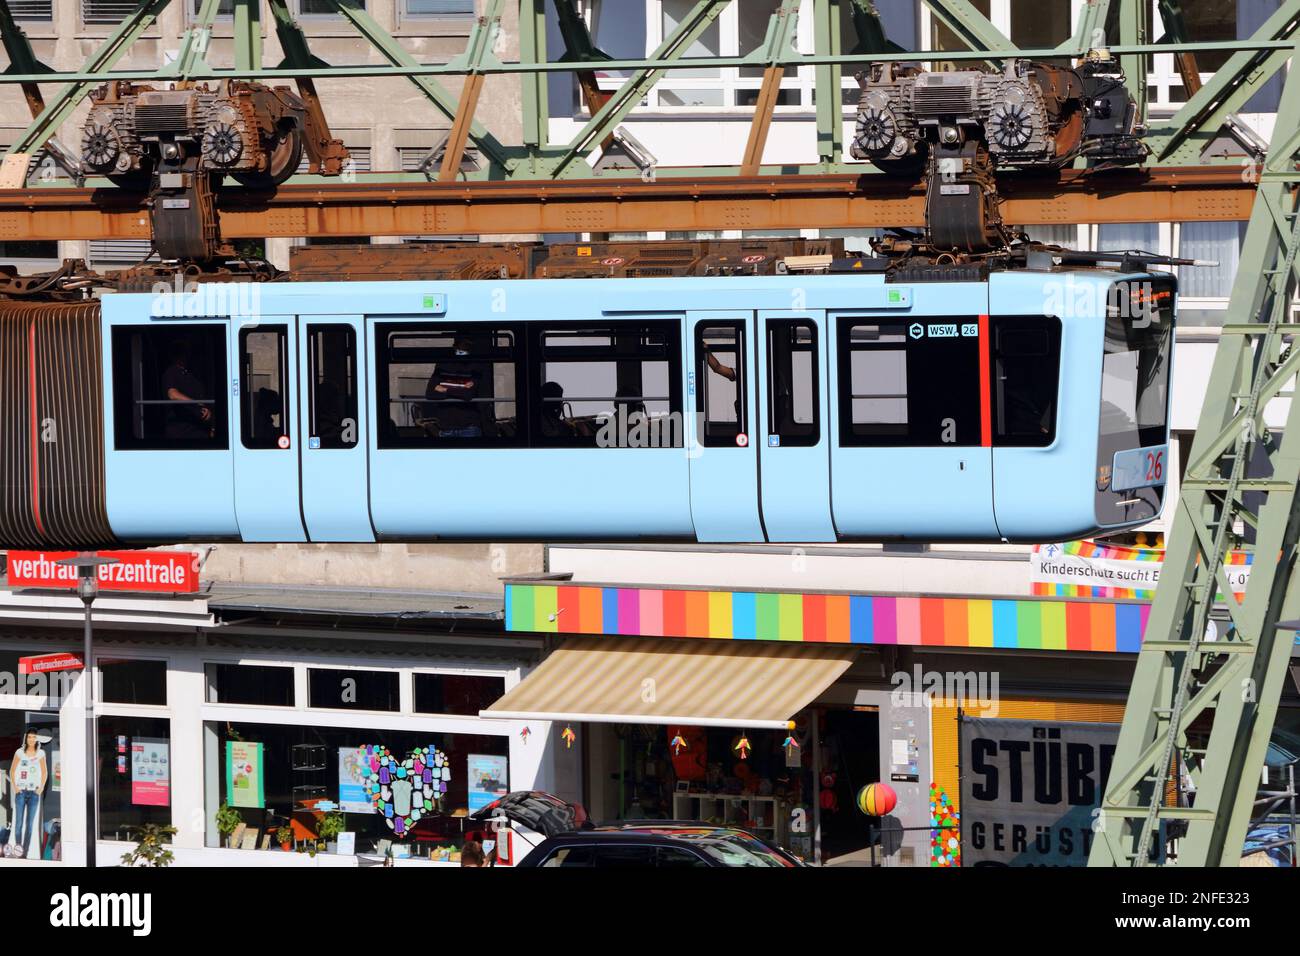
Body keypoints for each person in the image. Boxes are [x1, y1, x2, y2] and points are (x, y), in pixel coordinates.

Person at [423, 335, 485, 438]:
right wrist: (461, 388)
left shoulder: (475, 368)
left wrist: (445, 390)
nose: (460, 352)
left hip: (469, 427)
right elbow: (430, 393)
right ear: (454, 348)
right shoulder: (442, 366)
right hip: (445, 427)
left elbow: (468, 394)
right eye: (459, 349)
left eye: (465, 349)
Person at [161, 339, 214, 441]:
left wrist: (211, 421)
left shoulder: (193, 376)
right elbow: (172, 394)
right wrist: (196, 403)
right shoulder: (171, 372)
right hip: (180, 432)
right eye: (179, 352)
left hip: (199, 430)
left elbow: (203, 400)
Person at [9, 729, 46, 859]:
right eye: (29, 737)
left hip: (34, 793)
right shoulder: (19, 752)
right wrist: (16, 788)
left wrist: (40, 788)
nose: (31, 739)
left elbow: (44, 772)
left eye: (33, 737)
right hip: (21, 792)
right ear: (26, 738)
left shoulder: (41, 753)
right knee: (18, 824)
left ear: (36, 739)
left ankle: (25, 853)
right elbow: (12, 771)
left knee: (30, 825)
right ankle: (19, 847)